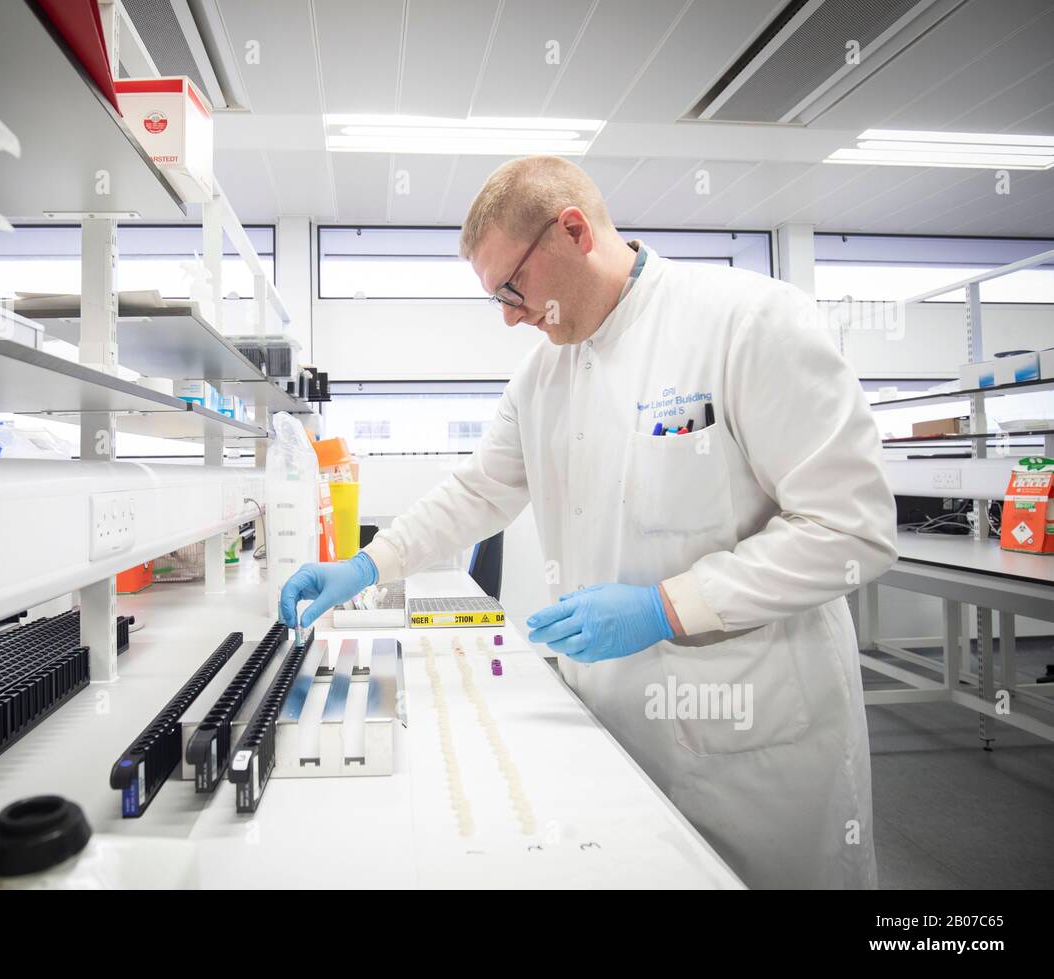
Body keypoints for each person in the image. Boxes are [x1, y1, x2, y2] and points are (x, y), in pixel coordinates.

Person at [279, 155, 897, 889]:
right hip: (610, 723)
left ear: (573, 231)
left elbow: (851, 528)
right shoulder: (543, 376)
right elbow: (478, 490)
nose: (509, 315)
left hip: (756, 741)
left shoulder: (746, 319)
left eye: (512, 287)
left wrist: (665, 606)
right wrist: (369, 562)